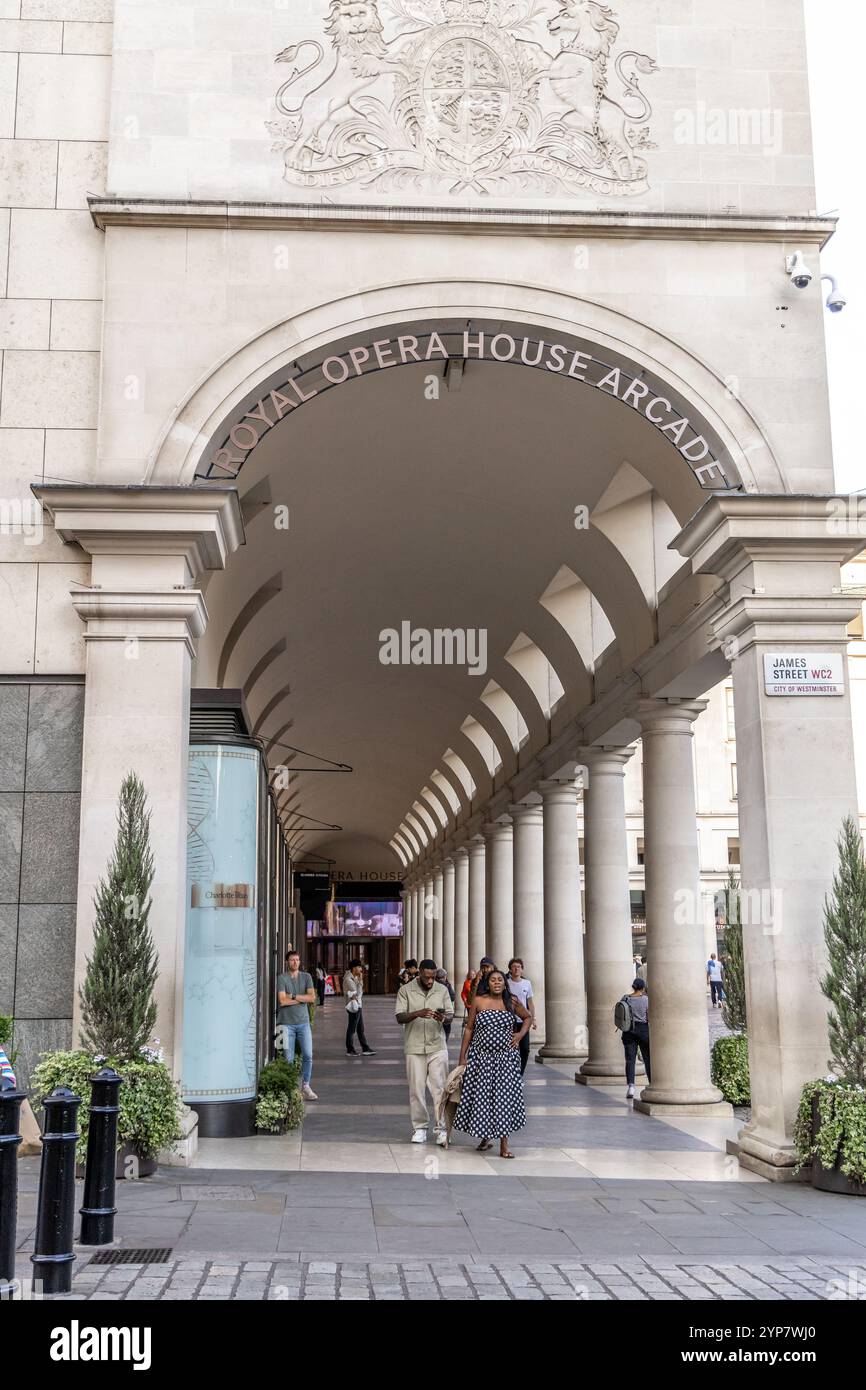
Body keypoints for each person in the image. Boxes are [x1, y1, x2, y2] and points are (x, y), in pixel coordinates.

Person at [455, 969, 530, 1158]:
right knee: (483, 1098)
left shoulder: (511, 1001)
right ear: (487, 983)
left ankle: (504, 1144)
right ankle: (485, 1137)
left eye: (500, 980)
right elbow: (469, 1029)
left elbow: (528, 1017)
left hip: (506, 1060)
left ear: (505, 983)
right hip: (481, 1059)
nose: (496, 983)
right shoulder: (479, 1001)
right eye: (493, 980)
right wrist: (462, 1055)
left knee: (503, 1098)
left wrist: (520, 1035)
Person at [395, 958, 454, 1144]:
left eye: (433, 977)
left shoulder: (442, 989)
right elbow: (400, 1017)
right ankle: (419, 1127)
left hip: (437, 1045)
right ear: (419, 972)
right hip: (414, 1046)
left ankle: (442, 1128)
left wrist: (442, 1018)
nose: (430, 981)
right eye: (427, 977)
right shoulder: (405, 990)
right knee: (416, 1090)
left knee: (440, 1088)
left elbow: (450, 1016)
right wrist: (417, 1013)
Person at [276, 949, 318, 1100]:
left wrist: (293, 997)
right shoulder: (282, 978)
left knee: (308, 1055)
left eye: (297, 960)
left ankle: (305, 1086)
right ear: (287, 962)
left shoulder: (306, 977)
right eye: (292, 960)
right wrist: (302, 999)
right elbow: (282, 1001)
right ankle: (291, 1089)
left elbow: (312, 998)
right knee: (288, 1059)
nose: (295, 962)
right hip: (286, 1024)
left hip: (303, 1023)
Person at [620, 978, 651, 1100]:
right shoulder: (646, 999)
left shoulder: (625, 998)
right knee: (648, 1058)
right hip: (643, 1030)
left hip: (628, 1030)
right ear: (642, 988)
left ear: (633, 987)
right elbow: (649, 1016)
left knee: (630, 1059)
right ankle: (651, 1082)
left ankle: (631, 1086)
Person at [505, 958, 536, 1074]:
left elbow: (530, 1003)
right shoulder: (506, 983)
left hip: (524, 1021)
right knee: (511, 1047)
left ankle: (520, 1073)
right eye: (514, 967)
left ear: (522, 969)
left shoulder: (527, 983)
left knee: (525, 1049)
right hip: (510, 1021)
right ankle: (510, 1072)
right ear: (510, 970)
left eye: (518, 966)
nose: (516, 969)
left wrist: (534, 1018)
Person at [343, 959, 376, 1056]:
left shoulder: (354, 977)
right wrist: (361, 981)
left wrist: (359, 981)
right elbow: (358, 993)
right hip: (354, 1006)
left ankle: (365, 1048)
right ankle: (350, 1049)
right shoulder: (349, 979)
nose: (361, 969)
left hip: (358, 1005)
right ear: (354, 968)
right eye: (359, 967)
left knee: (360, 1028)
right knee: (352, 1028)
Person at [435, 968, 456, 1043]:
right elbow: (453, 997)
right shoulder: (447, 985)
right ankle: (444, 1043)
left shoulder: (433, 985)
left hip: (435, 1011)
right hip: (445, 1011)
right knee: (447, 1028)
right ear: (445, 977)